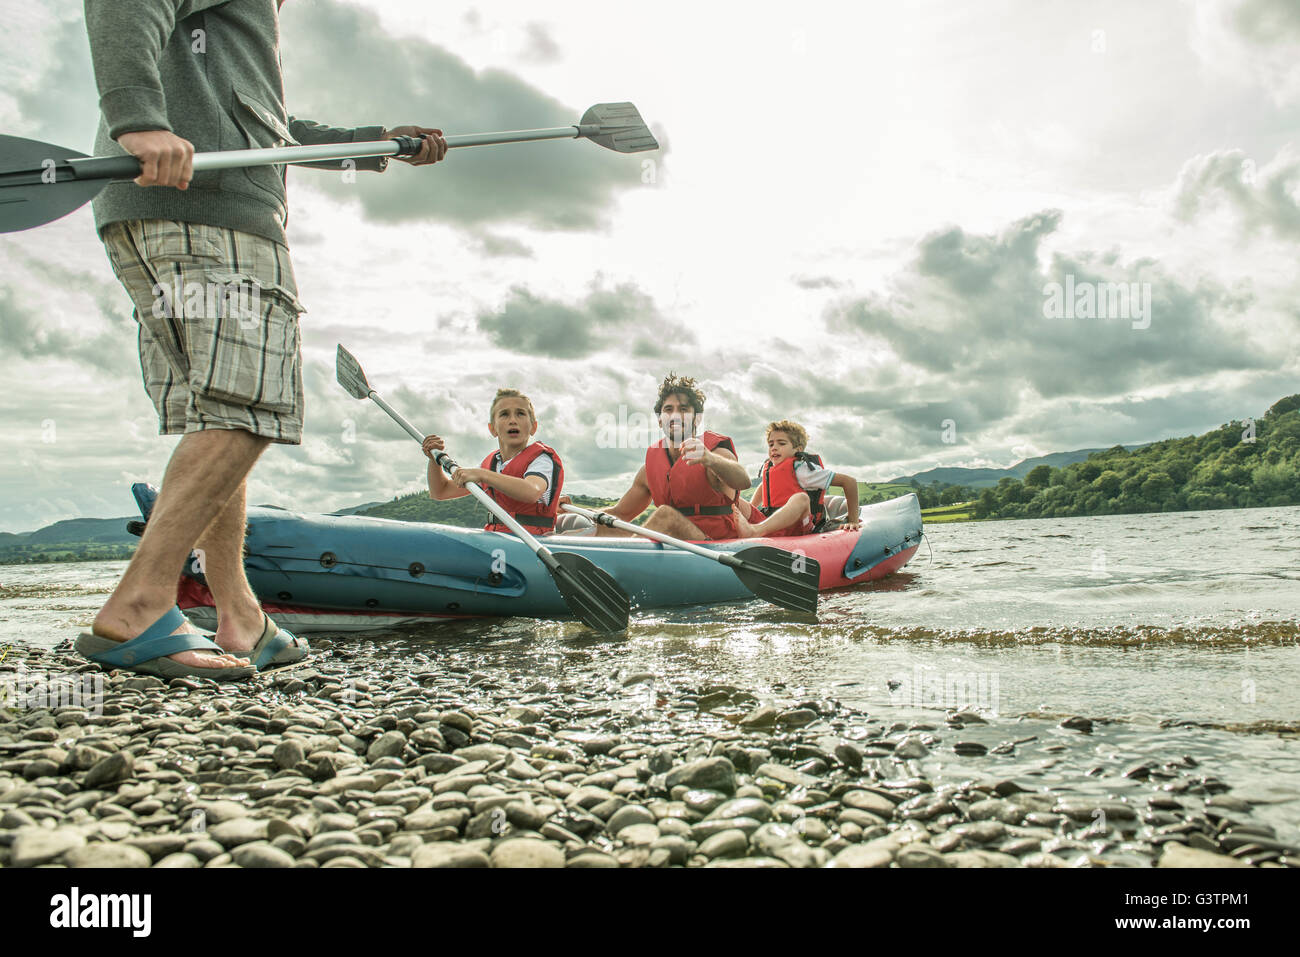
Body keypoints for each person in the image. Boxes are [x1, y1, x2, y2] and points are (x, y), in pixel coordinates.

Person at [76, 0, 448, 680]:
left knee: (222, 411)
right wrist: (138, 119)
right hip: (205, 213)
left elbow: (267, 126)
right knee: (252, 404)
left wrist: (374, 143)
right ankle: (138, 605)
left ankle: (238, 612)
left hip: (172, 211)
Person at [595, 374, 750, 540]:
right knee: (607, 526)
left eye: (683, 409)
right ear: (660, 420)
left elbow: (743, 481)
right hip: (677, 546)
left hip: (715, 545)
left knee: (666, 516)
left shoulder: (715, 454)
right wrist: (572, 512)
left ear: (697, 419)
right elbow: (620, 513)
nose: (675, 415)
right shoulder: (648, 471)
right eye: (668, 410)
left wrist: (710, 459)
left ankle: (622, 561)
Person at [422, 390, 564, 534]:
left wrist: (483, 475)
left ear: (533, 427)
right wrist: (434, 460)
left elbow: (531, 491)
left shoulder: (542, 460)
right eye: (504, 414)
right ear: (493, 429)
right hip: (496, 538)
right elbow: (440, 491)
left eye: (520, 414)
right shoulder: (491, 465)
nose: (513, 420)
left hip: (532, 541)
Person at [736, 420, 862, 537]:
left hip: (799, 527)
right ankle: (733, 530)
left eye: (781, 443)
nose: (774, 447)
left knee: (801, 498)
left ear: (798, 449)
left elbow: (849, 481)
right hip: (770, 523)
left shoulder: (803, 470)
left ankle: (755, 531)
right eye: (771, 444)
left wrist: (853, 520)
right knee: (734, 500)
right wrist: (750, 508)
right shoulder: (771, 469)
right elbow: (763, 486)